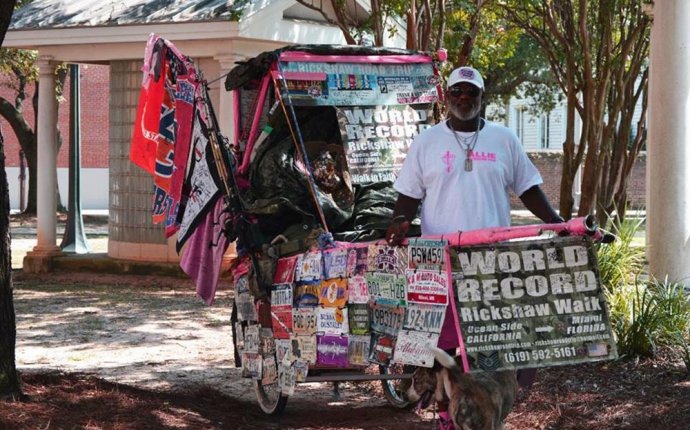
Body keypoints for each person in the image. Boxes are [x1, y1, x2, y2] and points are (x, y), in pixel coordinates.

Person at [386, 66, 563, 430]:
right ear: (446, 98)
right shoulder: (427, 142)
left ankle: (483, 415)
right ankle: (447, 418)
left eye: (472, 93)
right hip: (439, 263)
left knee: (489, 345)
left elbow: (528, 187)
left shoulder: (503, 139)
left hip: (492, 264)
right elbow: (406, 198)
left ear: (483, 98)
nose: (464, 99)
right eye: (457, 93)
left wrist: (558, 223)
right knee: (441, 346)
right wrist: (399, 222)